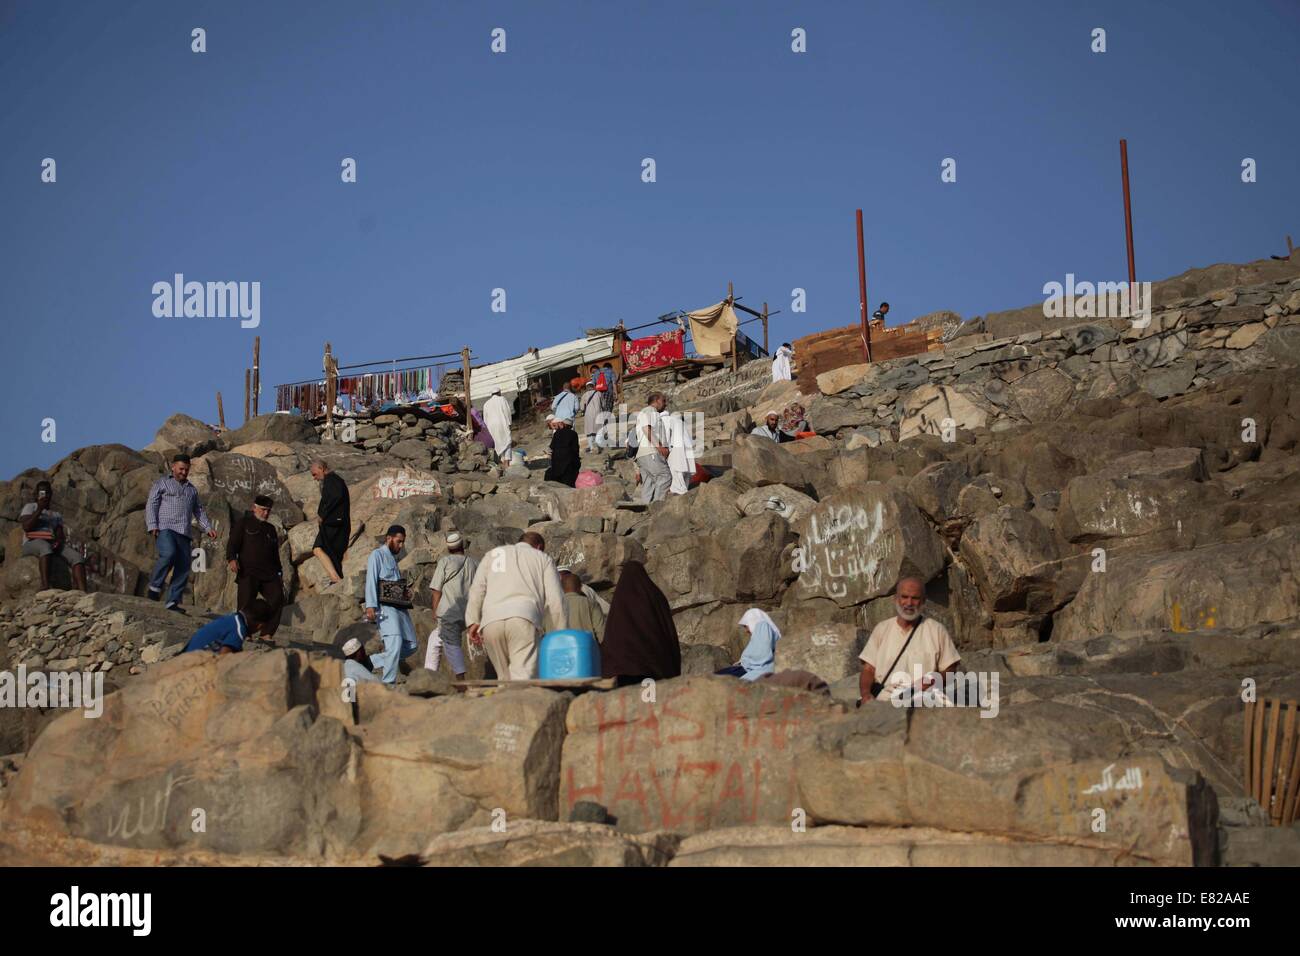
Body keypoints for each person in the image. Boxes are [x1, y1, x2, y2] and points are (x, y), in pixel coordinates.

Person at [465, 531, 566, 681]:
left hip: (491, 622)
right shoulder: (542, 558)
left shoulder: (492, 555)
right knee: (522, 678)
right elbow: (556, 600)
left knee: (503, 679)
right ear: (538, 547)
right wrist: (561, 632)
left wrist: (472, 621)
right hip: (523, 619)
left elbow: (477, 590)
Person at [858, 576, 960, 703]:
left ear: (923, 601)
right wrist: (866, 694)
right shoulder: (882, 629)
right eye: (904, 597)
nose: (909, 603)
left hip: (923, 698)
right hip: (885, 699)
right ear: (896, 599)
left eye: (915, 598)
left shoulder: (936, 630)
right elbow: (868, 669)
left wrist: (931, 680)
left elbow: (950, 670)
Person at [145, 454, 217, 613]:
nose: (184, 472)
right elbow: (152, 503)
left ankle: (172, 601)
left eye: (186, 470)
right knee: (168, 554)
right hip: (166, 528)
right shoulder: (162, 483)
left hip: (184, 531)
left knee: (184, 567)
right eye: (181, 469)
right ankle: (155, 587)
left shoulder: (191, 490)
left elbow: (198, 511)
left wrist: (208, 528)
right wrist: (152, 525)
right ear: (173, 467)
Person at [600, 560, 681, 685]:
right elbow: (668, 631)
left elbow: (612, 636)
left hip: (623, 670)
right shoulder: (655, 596)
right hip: (654, 668)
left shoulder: (620, 600)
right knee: (650, 702)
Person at [365, 525, 419, 684]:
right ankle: (388, 683)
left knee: (412, 645)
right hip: (385, 608)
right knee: (394, 643)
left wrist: (405, 592)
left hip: (400, 608)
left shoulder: (393, 560)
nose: (401, 545)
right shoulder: (377, 555)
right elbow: (371, 580)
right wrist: (370, 605)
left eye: (402, 542)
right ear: (389, 538)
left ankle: (373, 661)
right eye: (398, 541)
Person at [226, 495, 284, 638]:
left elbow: (275, 554)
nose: (266, 513)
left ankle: (267, 633)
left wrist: (279, 572)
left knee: (278, 598)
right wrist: (232, 559)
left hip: (269, 574)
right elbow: (232, 543)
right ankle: (244, 632)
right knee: (245, 603)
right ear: (254, 508)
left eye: (268, 511)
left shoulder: (271, 529)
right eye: (263, 510)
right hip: (248, 571)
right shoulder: (243, 523)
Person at [424, 532, 478, 679]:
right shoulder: (473, 563)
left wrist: (435, 610)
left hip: (448, 612)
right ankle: (429, 674)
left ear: (448, 548)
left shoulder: (445, 562)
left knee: (451, 645)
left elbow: (436, 589)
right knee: (435, 638)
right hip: (466, 613)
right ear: (462, 545)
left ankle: (461, 681)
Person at [19, 481, 87, 592]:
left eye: (47, 492)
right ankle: (45, 585)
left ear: (51, 495)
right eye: (42, 492)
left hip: (51, 542)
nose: (45, 495)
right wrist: (39, 509)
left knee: (77, 557)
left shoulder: (56, 514)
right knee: (45, 547)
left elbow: (60, 535)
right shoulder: (30, 507)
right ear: (36, 495)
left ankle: (83, 592)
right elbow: (26, 527)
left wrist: (58, 542)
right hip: (32, 541)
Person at [183, 598, 274, 654]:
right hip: (193, 663)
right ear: (259, 626)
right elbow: (225, 656)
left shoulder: (232, 618)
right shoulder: (239, 629)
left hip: (188, 654)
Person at [311, 460, 350, 588]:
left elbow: (335, 496)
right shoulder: (334, 480)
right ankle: (337, 579)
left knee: (318, 548)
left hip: (334, 523)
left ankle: (335, 578)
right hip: (337, 523)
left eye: (315, 474)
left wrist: (323, 514)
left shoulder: (331, 480)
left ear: (322, 468)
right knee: (332, 552)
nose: (315, 478)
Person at [716, 609, 780, 681]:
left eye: (746, 626)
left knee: (715, 680)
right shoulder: (759, 633)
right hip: (745, 669)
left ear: (753, 621)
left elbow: (763, 656)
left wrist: (745, 661)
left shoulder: (763, 626)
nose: (746, 630)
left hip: (749, 670)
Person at [634, 392, 671, 504]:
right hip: (651, 452)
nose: (665, 404)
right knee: (665, 477)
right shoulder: (649, 411)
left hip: (643, 454)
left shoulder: (648, 412)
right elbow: (646, 429)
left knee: (649, 484)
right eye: (663, 401)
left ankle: (644, 508)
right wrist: (659, 447)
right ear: (657, 400)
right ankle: (657, 508)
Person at [560, 570, 606, 642]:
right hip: (585, 650)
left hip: (557, 651)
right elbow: (602, 634)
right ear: (581, 587)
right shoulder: (591, 603)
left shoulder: (550, 608)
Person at [658, 409, 695, 496]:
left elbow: (666, 437)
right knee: (685, 475)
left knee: (676, 475)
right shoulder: (682, 424)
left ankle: (680, 497)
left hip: (676, 452)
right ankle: (685, 494)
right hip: (688, 452)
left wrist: (665, 451)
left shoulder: (667, 421)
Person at [544, 415, 581, 487]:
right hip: (568, 462)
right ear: (571, 426)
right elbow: (575, 449)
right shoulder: (573, 434)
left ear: (563, 424)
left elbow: (552, 447)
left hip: (556, 461)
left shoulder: (556, 433)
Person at [483, 389, 514, 462]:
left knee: (497, 443)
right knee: (507, 441)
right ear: (499, 393)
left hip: (491, 427)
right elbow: (507, 412)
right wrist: (509, 424)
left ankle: (501, 462)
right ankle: (506, 463)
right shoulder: (502, 399)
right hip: (502, 424)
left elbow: (485, 419)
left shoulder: (486, 404)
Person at [580, 380, 603, 453]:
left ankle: (592, 447)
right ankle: (598, 446)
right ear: (593, 386)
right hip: (598, 414)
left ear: (587, 387)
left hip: (588, 415)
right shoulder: (599, 393)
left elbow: (582, 408)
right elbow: (604, 404)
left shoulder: (584, 395)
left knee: (589, 432)